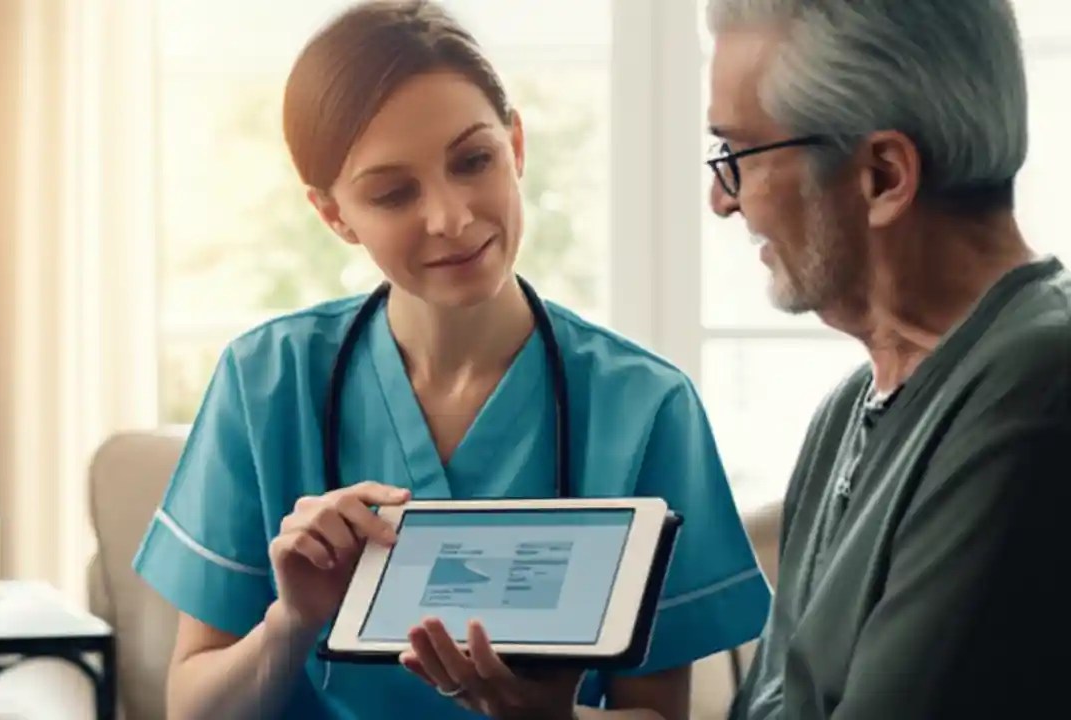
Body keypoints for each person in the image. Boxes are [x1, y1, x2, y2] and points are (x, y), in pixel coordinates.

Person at [133, 2, 771, 719]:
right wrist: (293, 621)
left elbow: (659, 712)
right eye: (393, 193)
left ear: (516, 146)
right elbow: (192, 709)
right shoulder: (265, 383)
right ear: (334, 215)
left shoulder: (646, 407)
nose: (452, 217)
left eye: (473, 161)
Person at [702, 0, 1071, 718]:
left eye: (739, 156)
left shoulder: (1037, 389)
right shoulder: (848, 408)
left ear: (882, 176)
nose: (722, 200)